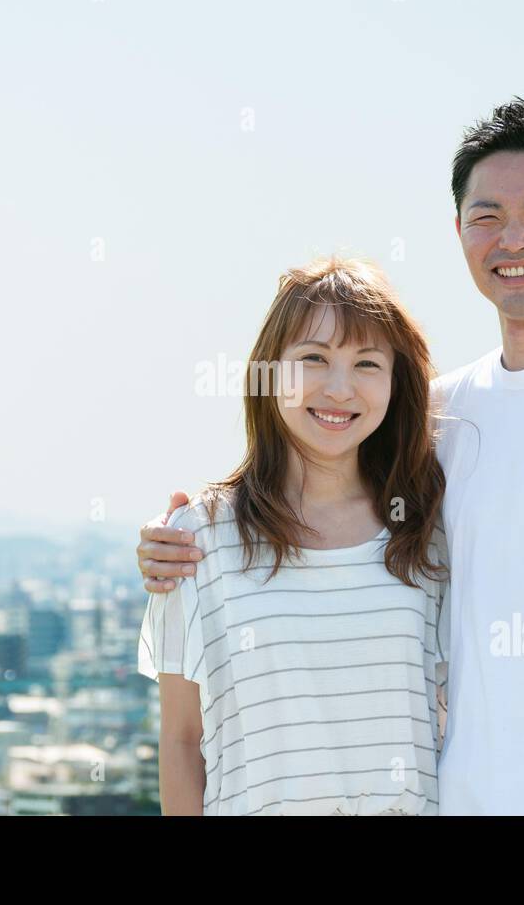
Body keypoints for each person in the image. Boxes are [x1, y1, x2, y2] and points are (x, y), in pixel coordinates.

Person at [138, 94, 524, 815]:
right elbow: (321, 465)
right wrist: (180, 534)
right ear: (459, 231)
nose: (513, 239)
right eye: (487, 217)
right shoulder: (442, 413)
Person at [137, 255, 450, 815]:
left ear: (396, 381)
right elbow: (183, 742)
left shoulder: (427, 530)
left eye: (367, 364)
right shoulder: (197, 539)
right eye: (314, 358)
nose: (339, 388)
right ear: (269, 370)